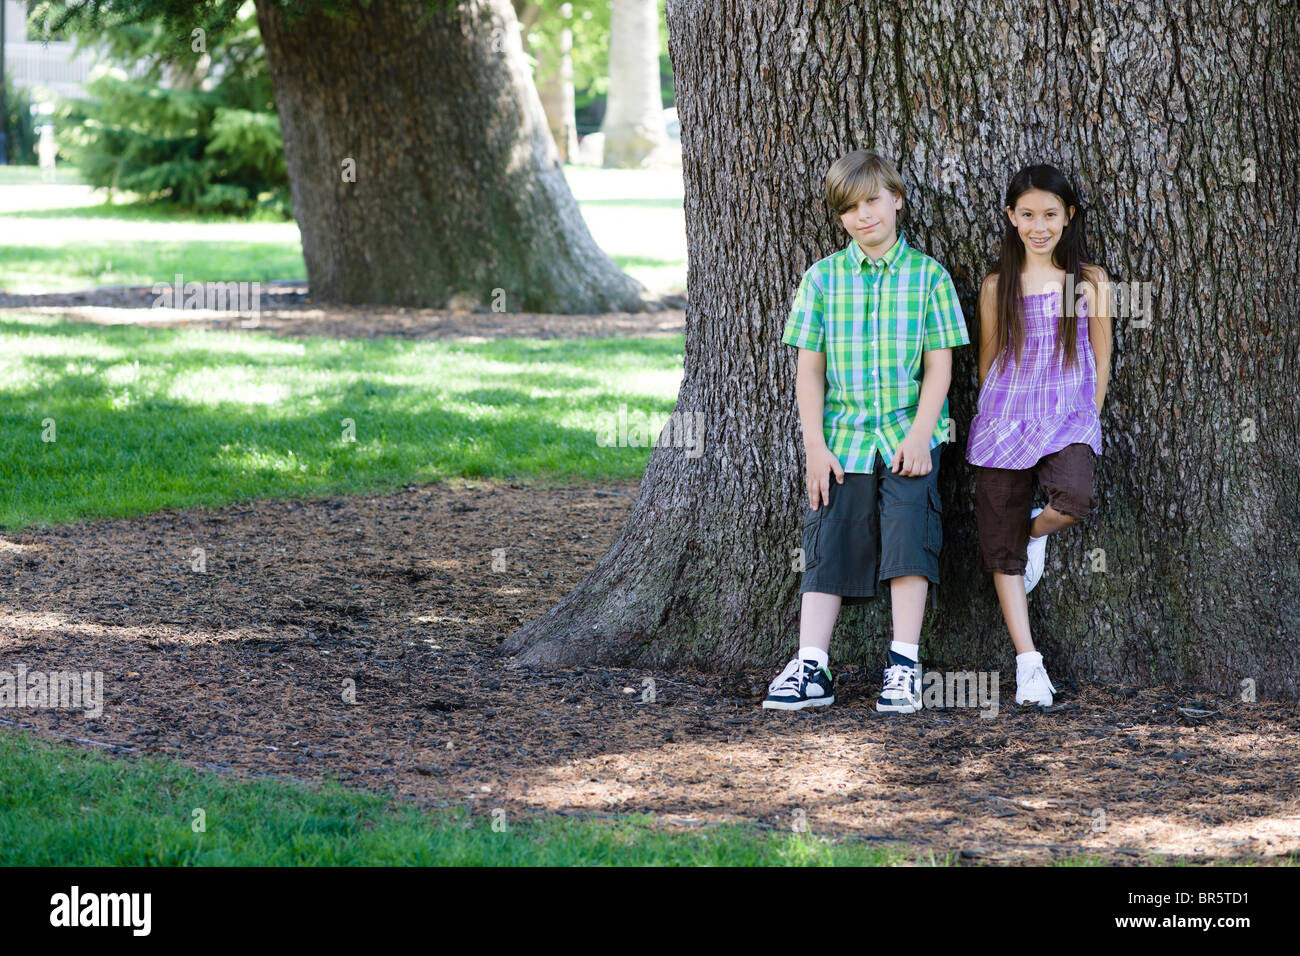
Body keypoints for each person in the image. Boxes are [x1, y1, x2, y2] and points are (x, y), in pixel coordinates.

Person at [765, 149, 970, 713]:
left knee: (909, 540)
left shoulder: (929, 277)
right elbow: (809, 369)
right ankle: (812, 666)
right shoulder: (822, 279)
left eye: (873, 201)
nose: (863, 216)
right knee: (829, 541)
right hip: (842, 441)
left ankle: (903, 665)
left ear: (897, 199)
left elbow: (940, 365)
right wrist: (814, 446)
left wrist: (922, 433)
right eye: (849, 209)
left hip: (910, 435)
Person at [966, 164, 1112, 706]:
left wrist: (1088, 416)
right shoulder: (996, 285)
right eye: (1027, 215)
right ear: (1011, 218)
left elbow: (1101, 354)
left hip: (1066, 416)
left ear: (1068, 216)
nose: (1039, 225)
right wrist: (992, 414)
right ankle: (1030, 663)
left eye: (1050, 214)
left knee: (1073, 498)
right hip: (1004, 420)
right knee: (998, 548)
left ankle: (1035, 531)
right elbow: (988, 361)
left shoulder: (1089, 280)